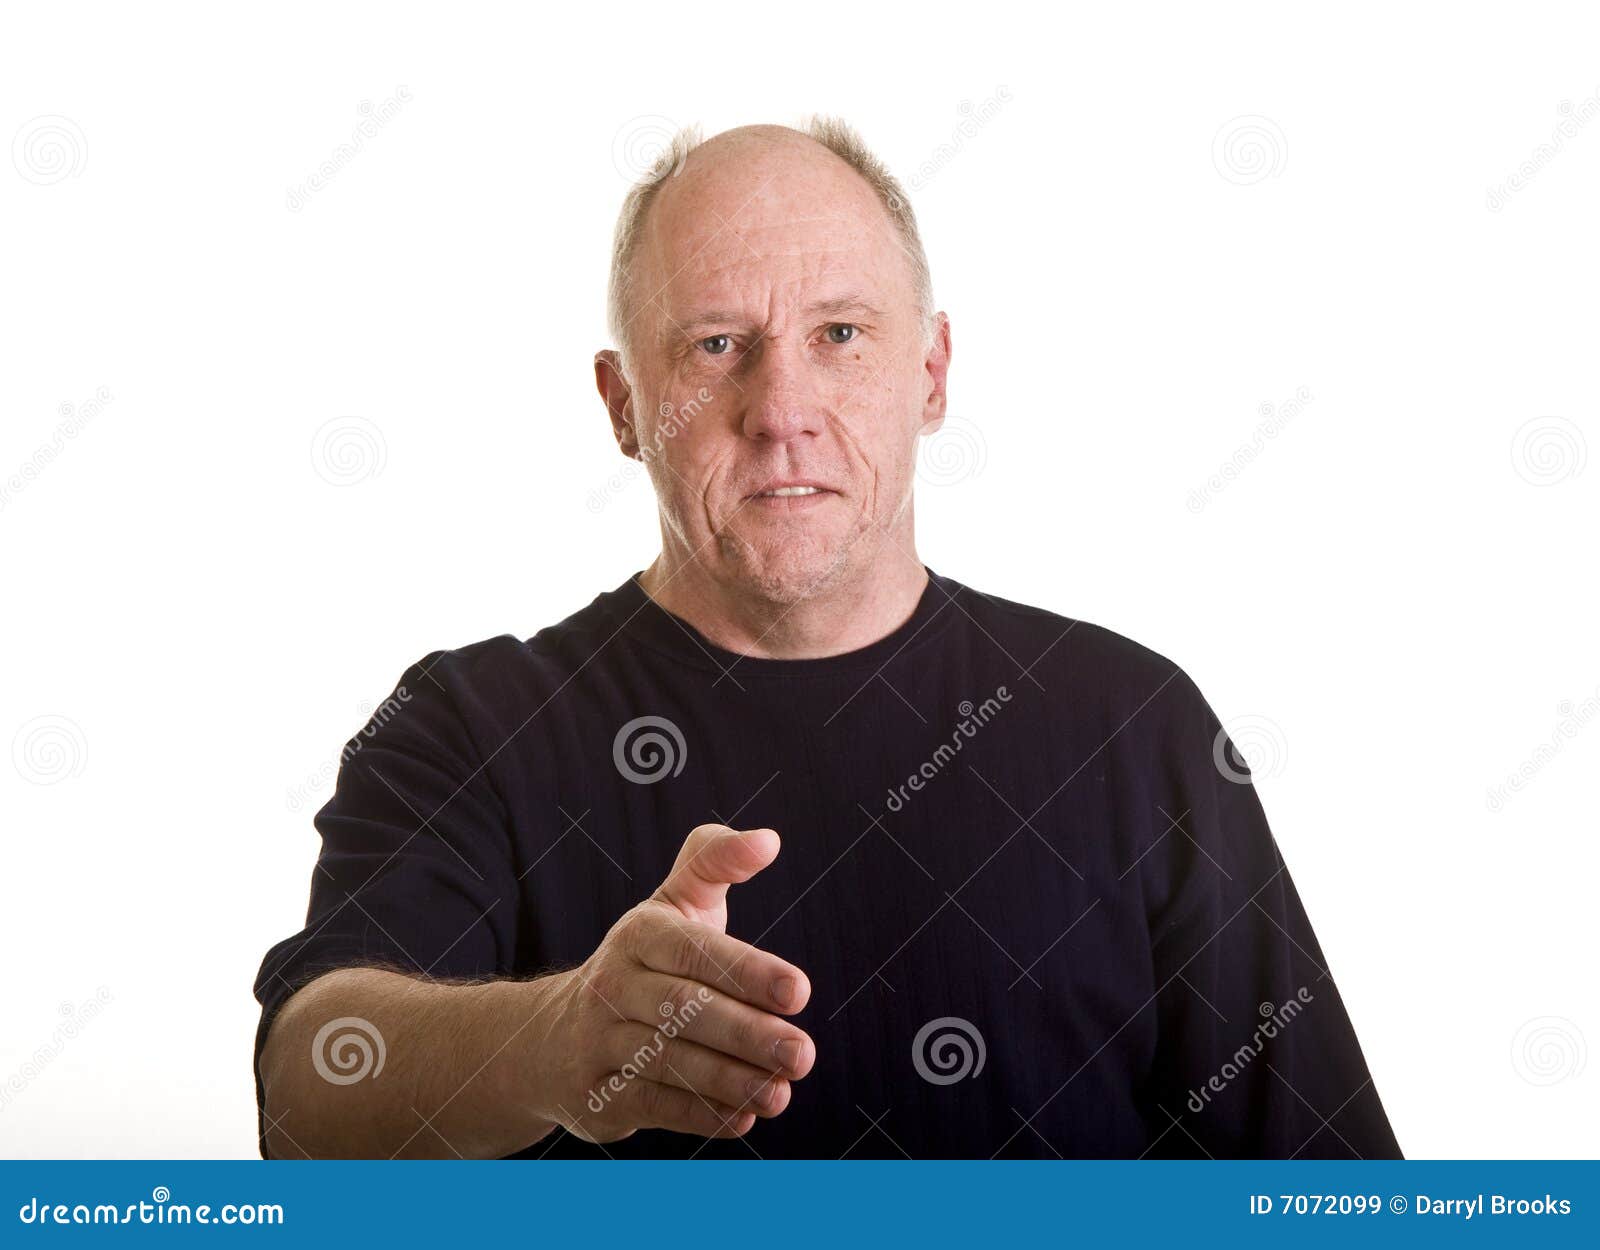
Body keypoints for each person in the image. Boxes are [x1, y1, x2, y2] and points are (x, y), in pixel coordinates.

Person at [252, 117, 1401, 1160]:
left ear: (932, 372)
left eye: (841, 333)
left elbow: (1326, 1187)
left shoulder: (1126, 722)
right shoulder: (471, 727)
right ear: (619, 402)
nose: (779, 407)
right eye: (713, 346)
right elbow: (308, 1101)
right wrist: (559, 1039)